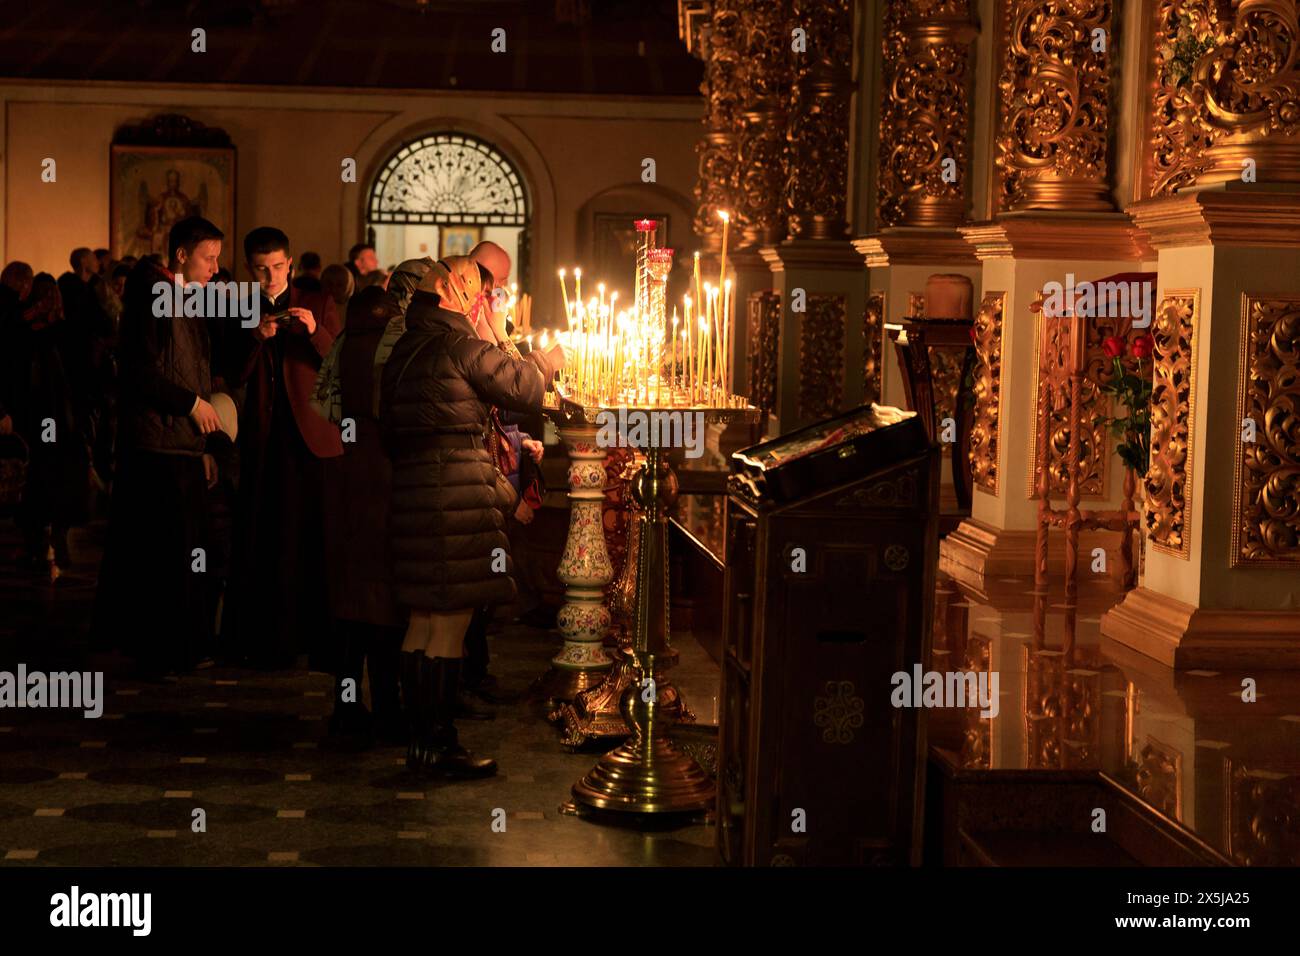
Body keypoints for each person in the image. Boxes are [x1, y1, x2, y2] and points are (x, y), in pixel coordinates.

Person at [381, 255, 563, 777]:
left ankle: (420, 744)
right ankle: (439, 746)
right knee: (450, 621)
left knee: (421, 619)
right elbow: (524, 388)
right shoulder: (458, 345)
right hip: (455, 495)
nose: (479, 299)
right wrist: (547, 360)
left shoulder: (406, 347)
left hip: (414, 491)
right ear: (450, 291)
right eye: (472, 289)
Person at [92, 216, 225, 677]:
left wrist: (202, 440)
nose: (214, 269)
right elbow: (142, 371)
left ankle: (177, 645)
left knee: (183, 550)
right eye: (208, 258)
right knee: (163, 554)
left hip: (179, 443)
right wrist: (191, 405)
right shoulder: (154, 295)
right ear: (182, 255)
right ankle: (164, 649)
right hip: (156, 445)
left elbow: (192, 367)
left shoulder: (182, 297)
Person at [219, 226, 342, 670]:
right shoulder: (238, 308)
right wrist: (255, 336)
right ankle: (267, 638)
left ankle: (320, 639)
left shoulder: (319, 301)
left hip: (310, 434)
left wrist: (312, 332)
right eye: (260, 269)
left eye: (276, 267)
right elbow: (229, 371)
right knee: (264, 535)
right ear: (250, 270)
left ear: (289, 264)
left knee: (313, 535)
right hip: (263, 435)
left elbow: (342, 365)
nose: (270, 276)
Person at [321, 286, 406, 745]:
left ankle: (347, 707)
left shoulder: (342, 345)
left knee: (351, 608)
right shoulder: (393, 348)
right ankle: (389, 708)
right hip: (385, 478)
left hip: (343, 474)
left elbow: (326, 406)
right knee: (385, 609)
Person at [8, 274, 91, 574]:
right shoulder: (62, 331)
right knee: (53, 476)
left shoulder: (30, 332)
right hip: (59, 421)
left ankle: (45, 542)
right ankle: (52, 540)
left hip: (45, 419)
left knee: (43, 476)